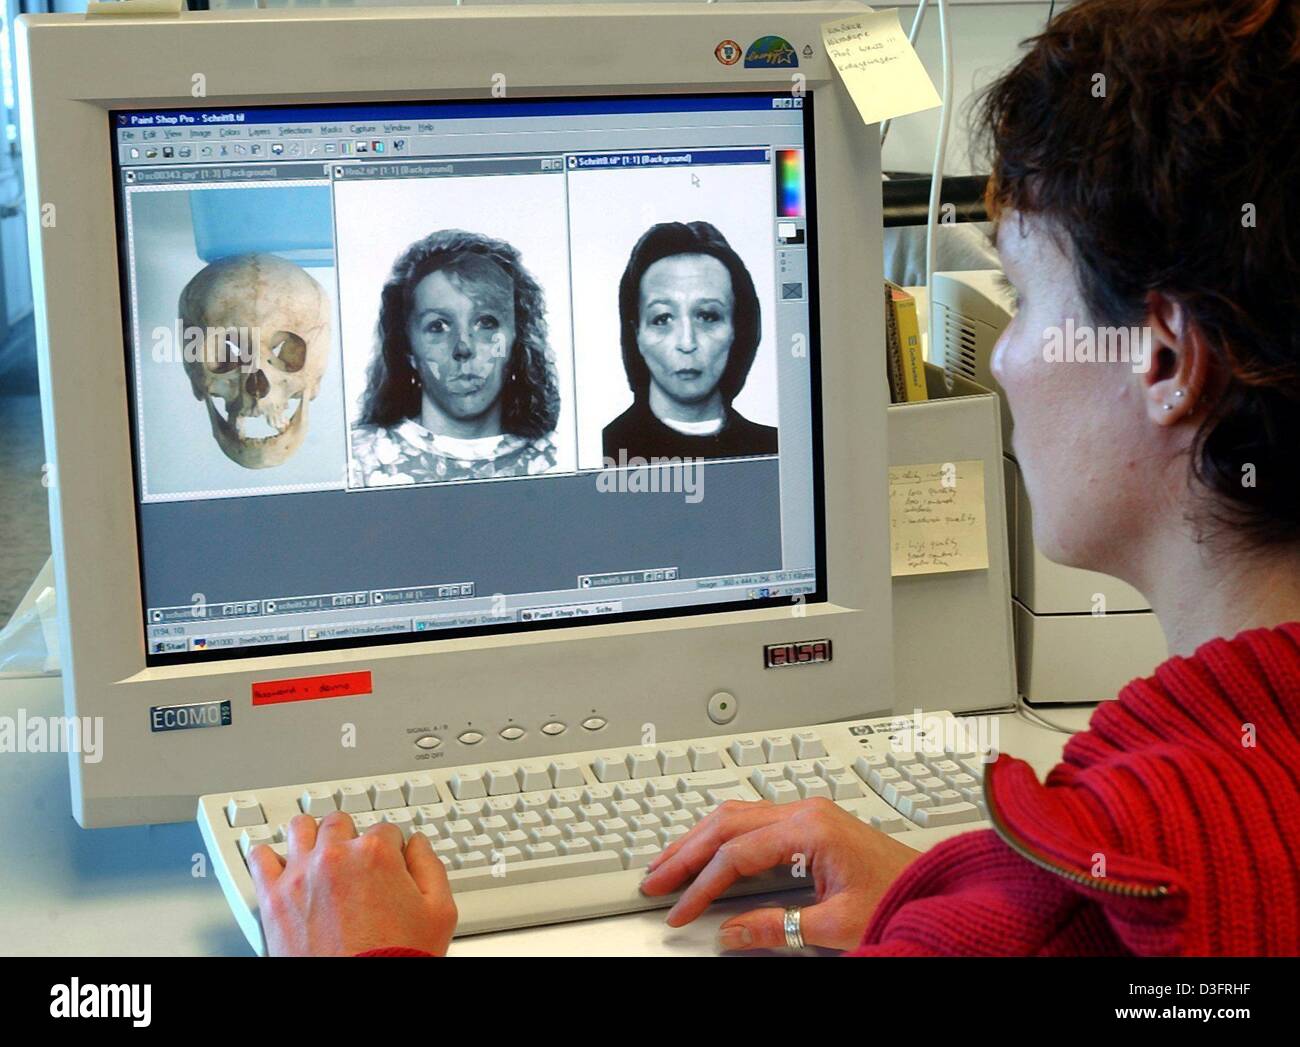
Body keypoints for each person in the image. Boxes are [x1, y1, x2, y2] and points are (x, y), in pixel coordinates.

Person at [248, 0, 1300, 956]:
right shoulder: (1205, 817)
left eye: (1021, 298)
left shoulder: (1143, 867)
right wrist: (962, 896)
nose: (1006, 358)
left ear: (1160, 363)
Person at [350, 229, 560, 485]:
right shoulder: (359, 462)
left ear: (518, 339)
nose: (463, 347)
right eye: (438, 326)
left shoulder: (557, 460)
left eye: (486, 322)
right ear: (407, 348)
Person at [601, 221, 778, 461]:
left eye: (708, 316)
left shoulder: (775, 449)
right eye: (662, 319)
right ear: (636, 334)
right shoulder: (605, 450)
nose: (687, 342)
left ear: (737, 328)